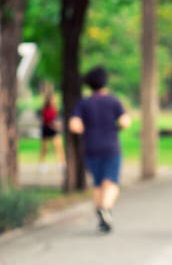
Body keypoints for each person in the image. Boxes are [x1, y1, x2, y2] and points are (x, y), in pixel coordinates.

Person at [68, 66, 131, 233]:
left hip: (90, 147)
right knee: (111, 181)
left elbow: (75, 125)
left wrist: (87, 129)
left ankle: (102, 217)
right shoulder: (113, 101)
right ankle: (105, 209)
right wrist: (116, 128)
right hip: (110, 146)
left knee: (97, 183)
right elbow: (125, 122)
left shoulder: (84, 103)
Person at [39, 91, 64, 171]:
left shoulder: (55, 109)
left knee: (58, 147)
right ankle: (42, 164)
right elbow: (47, 120)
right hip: (47, 129)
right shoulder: (45, 109)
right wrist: (55, 125)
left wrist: (57, 126)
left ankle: (61, 163)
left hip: (54, 129)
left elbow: (56, 119)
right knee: (44, 148)